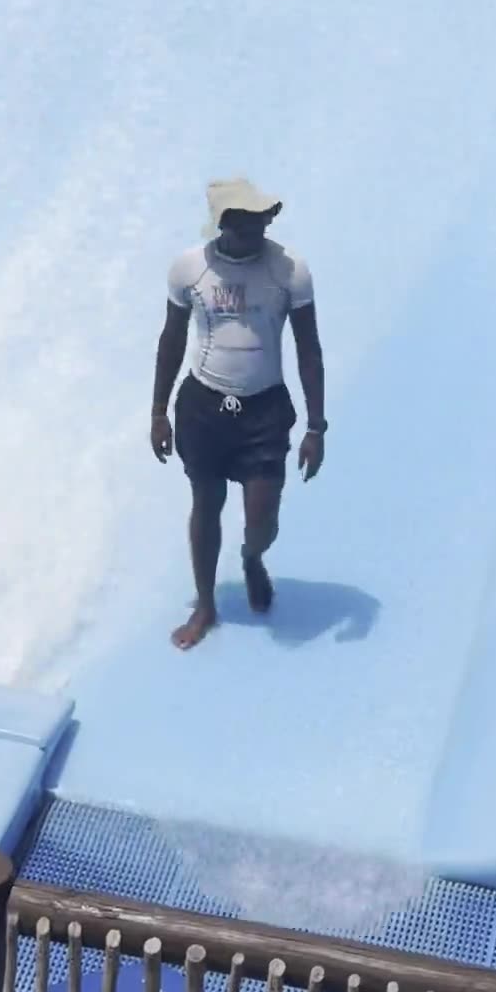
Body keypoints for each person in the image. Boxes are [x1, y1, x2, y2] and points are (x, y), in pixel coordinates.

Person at [150, 177, 326, 650]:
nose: (256, 231)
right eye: (245, 223)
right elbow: (171, 340)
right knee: (206, 504)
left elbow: (308, 349)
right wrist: (159, 412)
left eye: (261, 220)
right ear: (223, 224)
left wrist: (316, 427)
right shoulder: (190, 268)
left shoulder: (289, 270)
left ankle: (252, 557)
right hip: (203, 409)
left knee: (262, 519)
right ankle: (206, 606)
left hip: (264, 411)